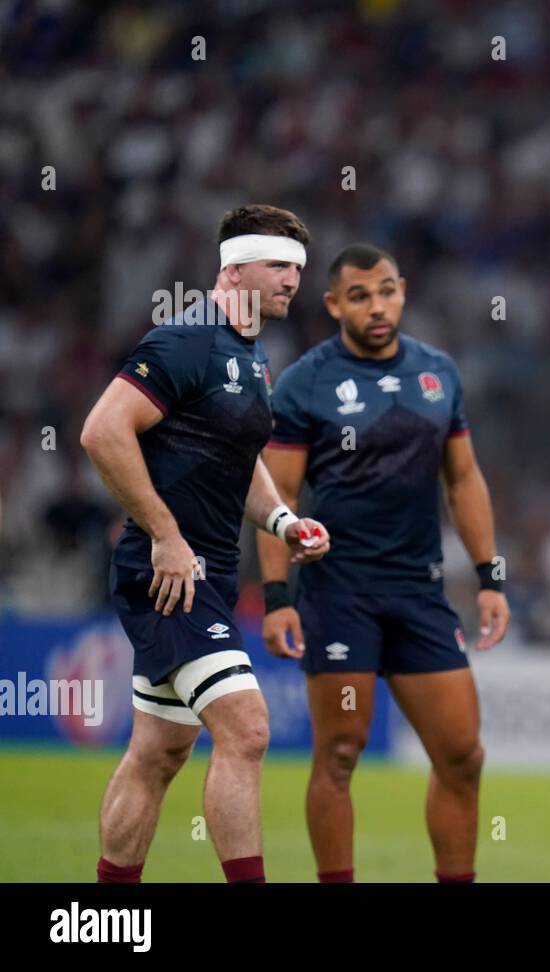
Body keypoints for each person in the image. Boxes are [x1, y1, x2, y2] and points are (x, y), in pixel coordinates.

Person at [82, 204, 330, 883]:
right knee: (247, 729)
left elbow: (237, 454)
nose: (291, 281)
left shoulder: (248, 352)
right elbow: (103, 430)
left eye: (298, 269)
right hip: (169, 575)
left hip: (207, 573)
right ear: (234, 267)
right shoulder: (187, 339)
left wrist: (282, 522)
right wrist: (163, 534)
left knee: (157, 753)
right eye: (278, 265)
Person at [258, 243, 509, 884]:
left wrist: (489, 577)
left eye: (389, 291)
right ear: (335, 304)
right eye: (362, 295)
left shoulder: (438, 373)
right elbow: (277, 497)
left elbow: (464, 480)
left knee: (462, 755)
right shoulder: (305, 382)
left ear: (404, 292)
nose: (378, 306)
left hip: (420, 595)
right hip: (340, 595)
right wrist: (278, 595)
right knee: (340, 752)